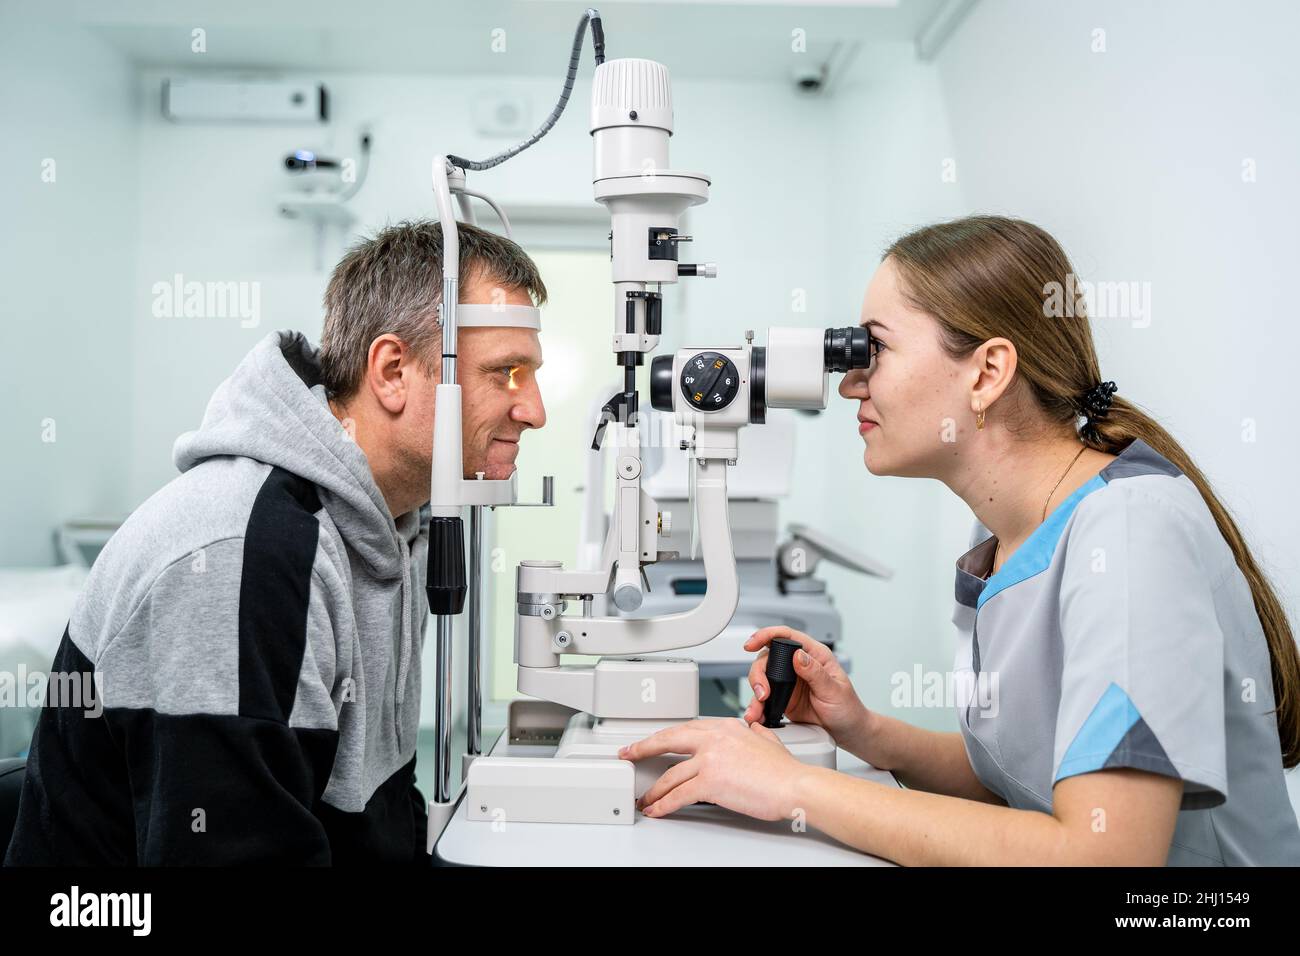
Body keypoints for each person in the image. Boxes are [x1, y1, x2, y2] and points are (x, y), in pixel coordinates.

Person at [620, 215, 1300, 866]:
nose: (850, 379)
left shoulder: (1127, 534)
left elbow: (1103, 854)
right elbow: (1023, 789)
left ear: (987, 373)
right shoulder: (1010, 532)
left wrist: (795, 789)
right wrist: (864, 729)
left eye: (873, 348)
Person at [5, 220, 547, 865]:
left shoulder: (391, 529)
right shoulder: (245, 555)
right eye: (506, 374)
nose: (535, 409)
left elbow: (372, 817)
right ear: (394, 371)